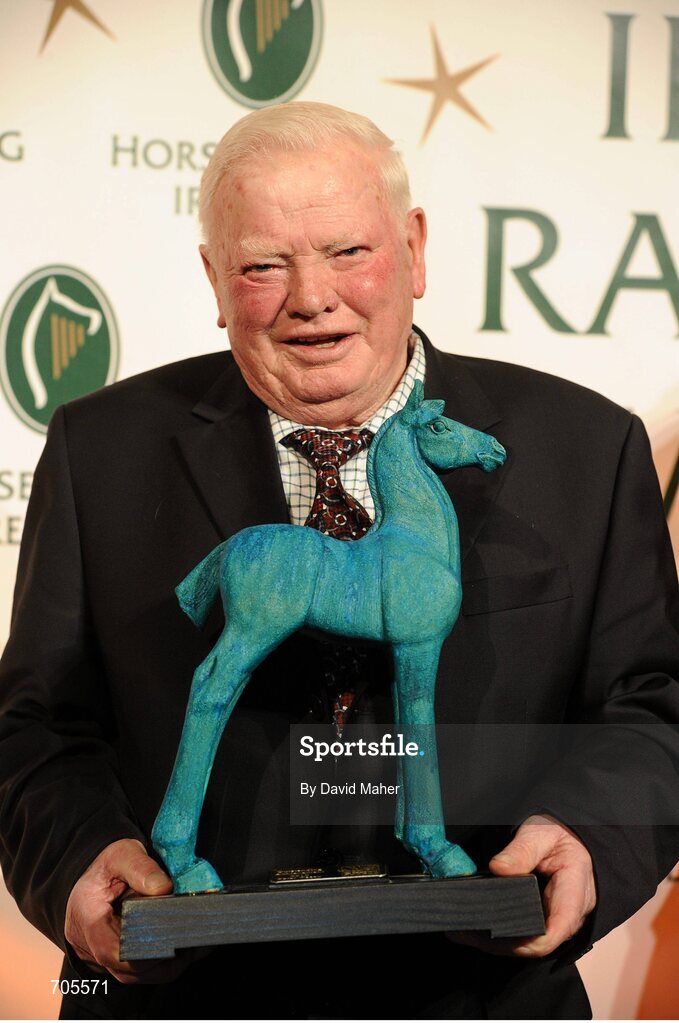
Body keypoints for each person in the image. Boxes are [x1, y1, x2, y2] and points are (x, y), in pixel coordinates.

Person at [0, 101, 677, 1020]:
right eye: (261, 265)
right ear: (213, 275)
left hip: (475, 992)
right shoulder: (101, 451)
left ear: (416, 249)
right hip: (182, 998)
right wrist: (79, 861)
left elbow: (652, 712)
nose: (310, 297)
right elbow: (35, 727)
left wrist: (588, 840)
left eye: (347, 252)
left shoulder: (586, 450)